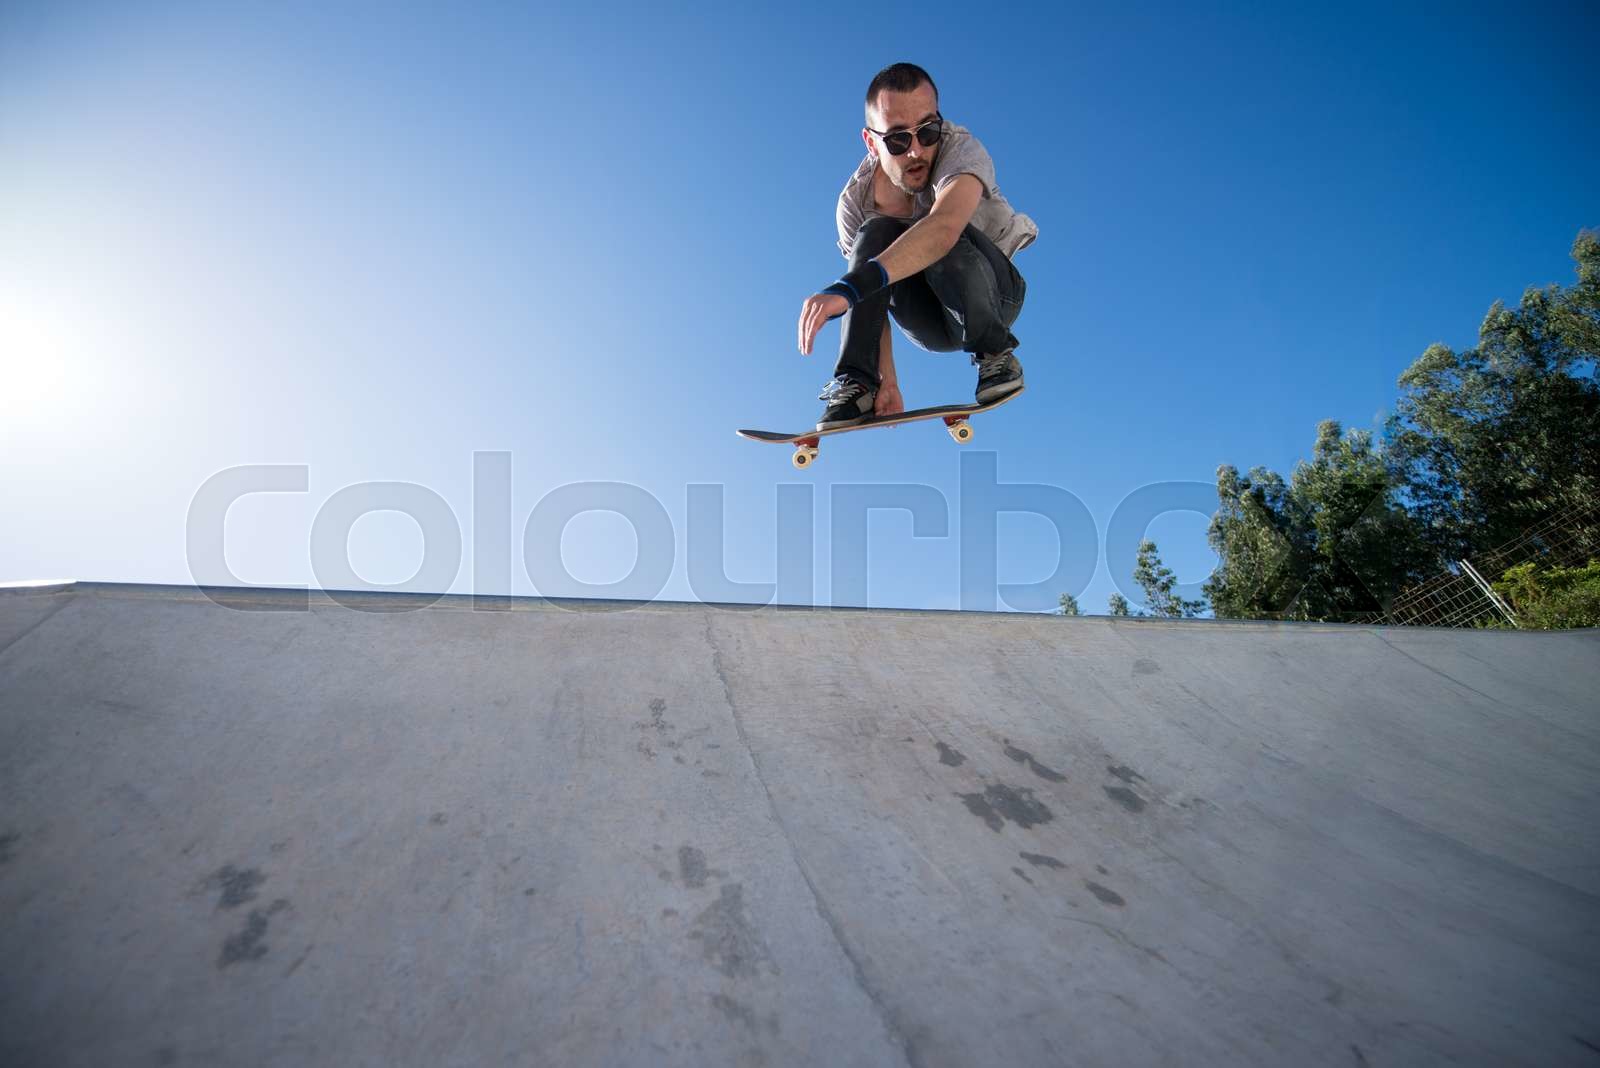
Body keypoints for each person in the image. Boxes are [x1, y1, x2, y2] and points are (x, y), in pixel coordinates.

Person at [797, 62, 1037, 430]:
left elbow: (943, 228)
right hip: (928, 322)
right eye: (897, 139)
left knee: (933, 232)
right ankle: (857, 383)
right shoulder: (854, 204)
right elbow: (871, 302)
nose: (916, 152)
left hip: (992, 297)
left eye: (927, 131)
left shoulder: (961, 150)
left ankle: (994, 353)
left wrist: (848, 288)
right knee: (875, 233)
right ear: (871, 142)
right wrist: (886, 380)